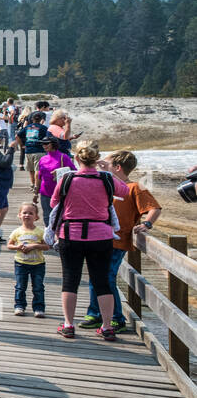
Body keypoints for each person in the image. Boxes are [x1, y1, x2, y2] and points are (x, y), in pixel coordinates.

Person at [50, 140, 129, 341]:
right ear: (96, 159)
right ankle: (107, 327)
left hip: (71, 234)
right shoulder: (106, 179)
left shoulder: (67, 179)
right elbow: (125, 191)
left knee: (70, 280)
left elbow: (53, 203)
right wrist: (108, 170)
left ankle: (68, 324)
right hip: (100, 235)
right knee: (102, 281)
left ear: (77, 158)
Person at [80, 150, 162, 333]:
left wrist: (147, 224)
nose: (102, 167)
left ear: (117, 168)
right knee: (96, 276)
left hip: (117, 241)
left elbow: (154, 208)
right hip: (99, 238)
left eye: (107, 165)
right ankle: (95, 313)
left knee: (107, 277)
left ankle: (116, 317)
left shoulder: (135, 187)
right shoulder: (105, 183)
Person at [6, 202, 49, 317]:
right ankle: (20, 306)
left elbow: (46, 247)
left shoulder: (40, 232)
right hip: (21, 263)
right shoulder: (17, 232)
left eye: (31, 213)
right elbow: (9, 245)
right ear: (19, 215)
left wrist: (34, 246)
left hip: (38, 264)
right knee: (20, 286)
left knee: (38, 287)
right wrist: (17, 247)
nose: (27, 215)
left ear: (36, 217)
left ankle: (39, 308)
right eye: (24, 213)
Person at [35, 134, 74, 225]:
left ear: (54, 144)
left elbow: (74, 172)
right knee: (47, 216)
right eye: (43, 144)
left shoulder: (63, 157)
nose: (44, 146)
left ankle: (59, 237)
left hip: (60, 192)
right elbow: (39, 176)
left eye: (46, 143)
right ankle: (49, 238)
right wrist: (36, 193)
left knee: (60, 216)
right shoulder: (42, 159)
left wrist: (60, 171)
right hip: (45, 192)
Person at [19, 110, 49, 191]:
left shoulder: (27, 127)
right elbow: (49, 137)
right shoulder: (43, 128)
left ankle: (32, 184)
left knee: (31, 169)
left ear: (32, 119)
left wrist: (22, 145)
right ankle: (36, 186)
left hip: (28, 150)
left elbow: (17, 136)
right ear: (40, 120)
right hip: (39, 151)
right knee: (37, 170)